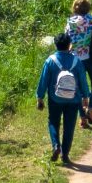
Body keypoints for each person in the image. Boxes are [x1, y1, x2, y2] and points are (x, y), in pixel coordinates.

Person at [35, 31, 83, 163]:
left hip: (55, 98)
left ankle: (56, 146)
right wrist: (85, 97)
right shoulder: (76, 61)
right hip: (73, 99)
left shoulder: (50, 61)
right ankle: (65, 155)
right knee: (69, 126)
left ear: (56, 45)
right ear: (69, 45)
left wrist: (40, 97)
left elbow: (43, 80)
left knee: (53, 122)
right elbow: (83, 81)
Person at [65, 0, 92, 125]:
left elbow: (67, 40)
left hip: (75, 60)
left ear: (75, 8)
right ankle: (90, 109)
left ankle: (82, 117)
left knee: (78, 88)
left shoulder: (70, 23)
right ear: (88, 7)